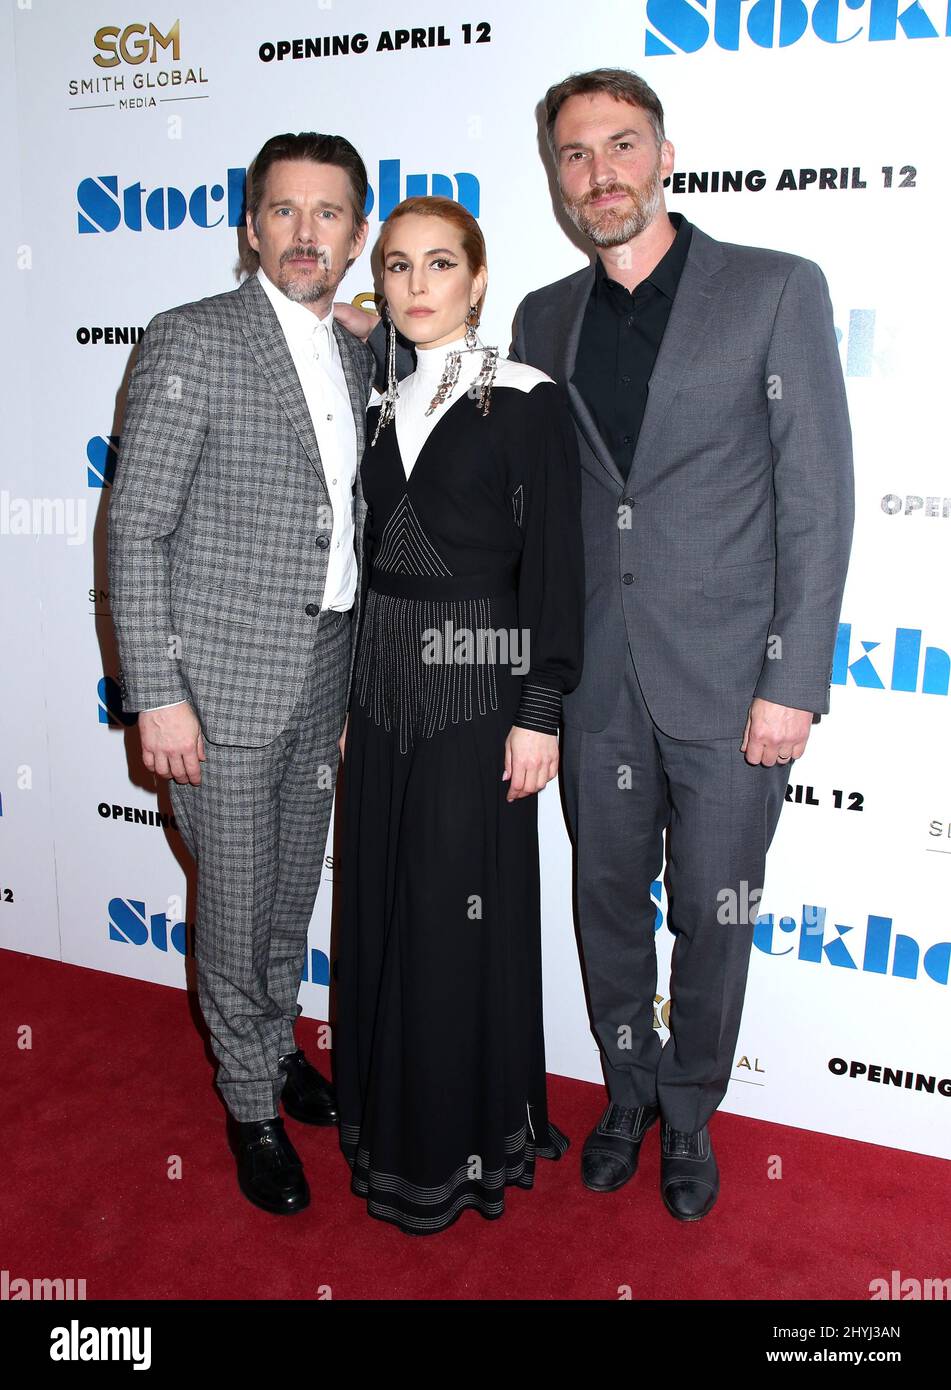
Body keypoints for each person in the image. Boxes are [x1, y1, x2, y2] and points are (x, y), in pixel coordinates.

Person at [349, 68, 854, 1222]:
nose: (600, 174)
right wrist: (353, 323)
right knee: (606, 901)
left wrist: (794, 680)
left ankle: (689, 1110)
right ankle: (625, 1090)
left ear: (665, 153)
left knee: (715, 908)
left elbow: (819, 499)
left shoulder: (775, 291)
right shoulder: (541, 317)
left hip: (733, 681)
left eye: (621, 145)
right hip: (590, 685)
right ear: (558, 179)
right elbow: (473, 436)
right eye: (575, 156)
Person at [108, 132, 376, 1216]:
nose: (305, 233)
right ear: (250, 226)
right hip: (216, 681)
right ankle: (249, 1100)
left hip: (327, 668)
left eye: (329, 215)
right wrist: (157, 693)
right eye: (284, 211)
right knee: (234, 899)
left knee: (291, 887)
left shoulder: (362, 349)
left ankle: (274, 1044)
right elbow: (135, 528)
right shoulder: (193, 339)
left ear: (359, 235)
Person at [333, 195, 585, 1235]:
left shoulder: (525, 399)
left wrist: (541, 709)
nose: (419, 283)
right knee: (382, 896)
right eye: (397, 266)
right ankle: (382, 1111)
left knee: (452, 903)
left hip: (479, 687)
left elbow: (557, 569)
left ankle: (457, 1139)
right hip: (381, 687)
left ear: (479, 281)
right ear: (380, 284)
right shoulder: (380, 402)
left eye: (442, 264)